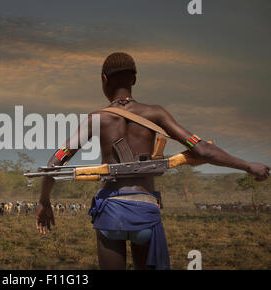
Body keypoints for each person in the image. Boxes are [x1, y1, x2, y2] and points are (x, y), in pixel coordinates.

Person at [35, 52, 270, 269]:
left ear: (104, 80)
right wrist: (248, 166)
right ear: (134, 79)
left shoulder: (96, 118)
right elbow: (203, 150)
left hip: (110, 211)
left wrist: (44, 202)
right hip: (145, 211)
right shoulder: (155, 113)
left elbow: (55, 163)